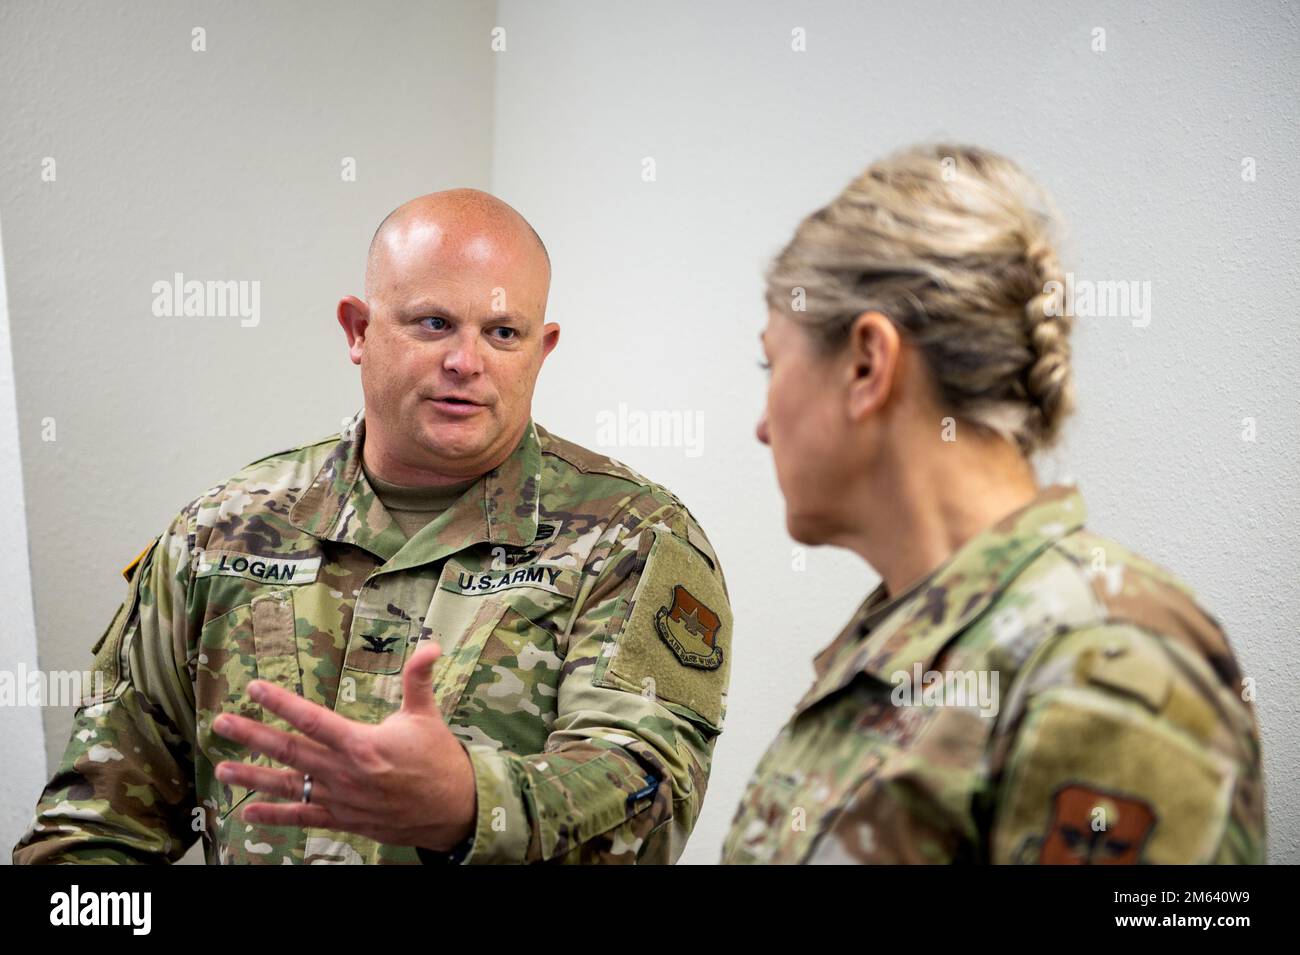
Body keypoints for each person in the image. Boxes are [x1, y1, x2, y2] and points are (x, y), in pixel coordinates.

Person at [14, 189, 732, 865]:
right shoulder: (223, 531)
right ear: (358, 330)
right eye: (434, 322)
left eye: (503, 332)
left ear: (540, 352)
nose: (466, 361)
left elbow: (649, 789)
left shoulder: (631, 536)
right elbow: (99, 824)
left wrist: (471, 804)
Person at [722, 144, 1265, 864]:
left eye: (772, 362)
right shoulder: (900, 639)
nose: (761, 423)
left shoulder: (1107, 660)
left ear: (866, 364)